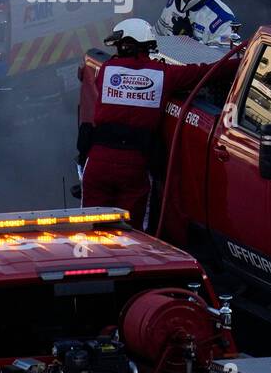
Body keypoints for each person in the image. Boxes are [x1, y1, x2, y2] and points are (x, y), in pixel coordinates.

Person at [79, 18, 225, 228]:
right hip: (135, 167)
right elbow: (203, 72)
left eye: (120, 45)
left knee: (91, 230)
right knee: (133, 236)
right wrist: (241, 61)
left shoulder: (107, 70)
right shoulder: (164, 75)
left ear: (128, 44)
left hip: (98, 162)